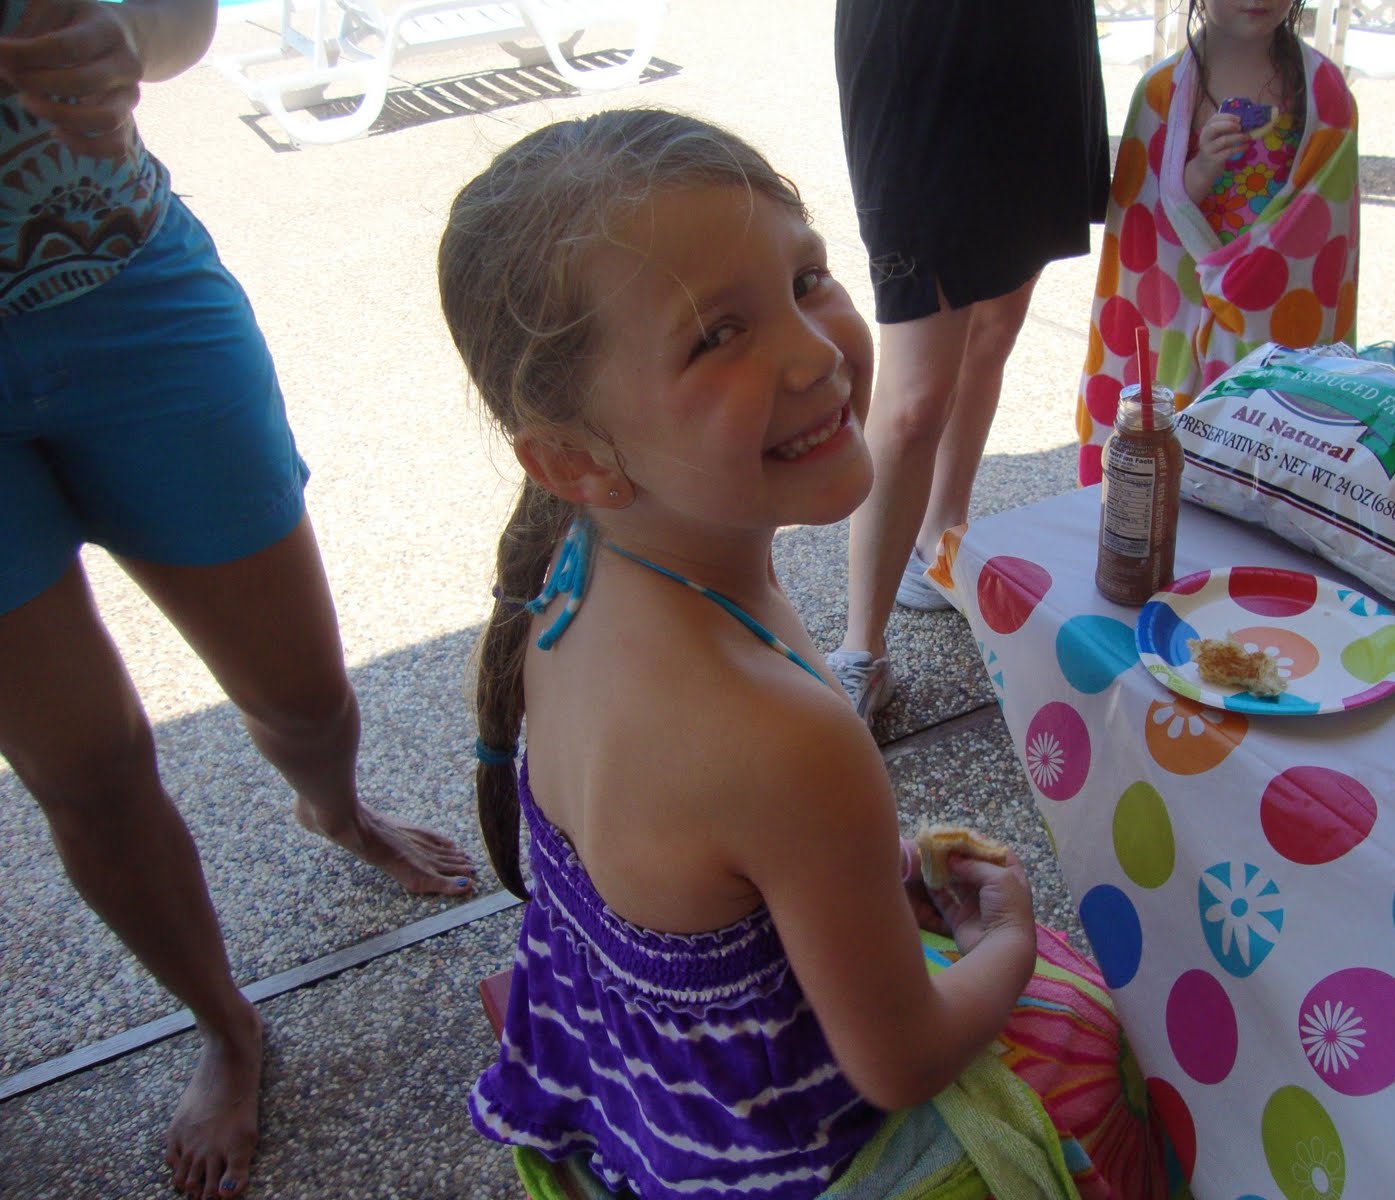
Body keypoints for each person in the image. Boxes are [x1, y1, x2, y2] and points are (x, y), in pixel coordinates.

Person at [441, 109, 1174, 1200]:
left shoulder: (565, 573)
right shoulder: (780, 736)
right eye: (716, 336)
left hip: (646, 1099)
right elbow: (902, 1062)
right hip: (782, 1159)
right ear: (573, 459)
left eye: (807, 278)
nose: (815, 352)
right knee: (1109, 1045)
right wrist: (1012, 942)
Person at [0, 1, 475, 1196]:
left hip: (125, 285)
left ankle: (336, 808)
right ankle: (225, 1023)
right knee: (82, 771)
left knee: (304, 696)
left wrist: (125, 39)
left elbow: (180, 20)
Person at [824, 0, 1112, 719]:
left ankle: (940, 538)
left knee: (996, 327)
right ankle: (861, 648)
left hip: (1036, 34)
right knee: (915, 399)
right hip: (924, 39)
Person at [1074, 0, 1360, 485]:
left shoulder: (1323, 94)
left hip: (1275, 304)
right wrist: (1202, 168)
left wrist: (1247, 281)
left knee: (1265, 458)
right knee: (1160, 459)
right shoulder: (1161, 92)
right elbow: (1144, 225)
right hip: (1181, 301)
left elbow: (1324, 223)